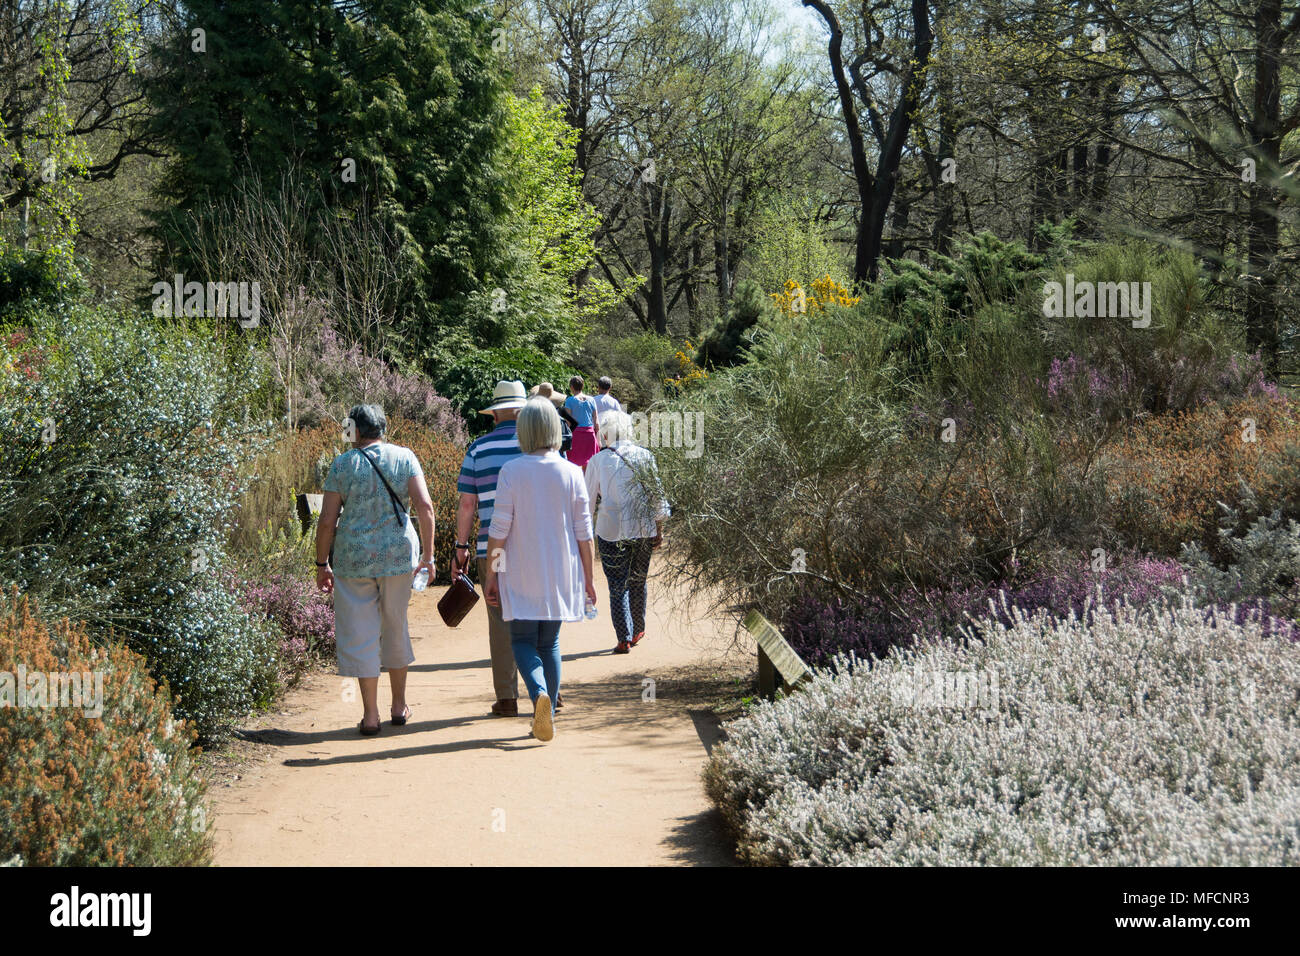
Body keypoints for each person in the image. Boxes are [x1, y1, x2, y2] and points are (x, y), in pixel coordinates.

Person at [316, 404, 435, 736]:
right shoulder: (404, 457)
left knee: (361, 633)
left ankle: (370, 716)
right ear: (385, 427)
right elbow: (425, 507)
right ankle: (399, 706)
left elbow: (327, 521)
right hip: (398, 557)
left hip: (353, 561)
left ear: (353, 430)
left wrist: (321, 563)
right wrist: (429, 555)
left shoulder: (342, 464)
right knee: (395, 625)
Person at [484, 398, 597, 742]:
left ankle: (538, 697)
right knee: (550, 643)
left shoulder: (512, 471)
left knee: (520, 639)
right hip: (561, 569)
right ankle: (547, 704)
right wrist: (589, 580)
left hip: (520, 569)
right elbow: (584, 532)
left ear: (524, 431)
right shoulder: (571, 472)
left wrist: (491, 575)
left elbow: (499, 530)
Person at [454, 380, 527, 717]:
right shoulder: (535, 447)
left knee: (499, 620)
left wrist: (461, 546)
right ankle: (546, 692)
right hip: (532, 548)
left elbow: (468, 504)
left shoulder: (478, 449)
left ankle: (507, 698)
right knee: (536, 615)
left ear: (495, 413)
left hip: (491, 549)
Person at [584, 411, 669, 653]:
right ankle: (638, 628)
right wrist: (659, 529)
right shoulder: (645, 456)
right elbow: (657, 496)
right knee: (638, 579)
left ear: (606, 433)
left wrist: (584, 533)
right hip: (643, 528)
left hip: (610, 530)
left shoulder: (598, 460)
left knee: (616, 585)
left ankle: (623, 637)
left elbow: (587, 502)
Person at [564, 375, 601, 471]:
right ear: (582, 386)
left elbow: (568, 422)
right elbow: (596, 422)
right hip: (589, 434)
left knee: (573, 462)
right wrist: (598, 439)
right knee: (588, 462)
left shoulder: (569, 400)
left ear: (571, 386)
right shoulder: (591, 400)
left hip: (576, 434)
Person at [531, 381, 576, 457]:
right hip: (558, 449)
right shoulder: (560, 410)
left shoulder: (533, 414)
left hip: (539, 451)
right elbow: (573, 423)